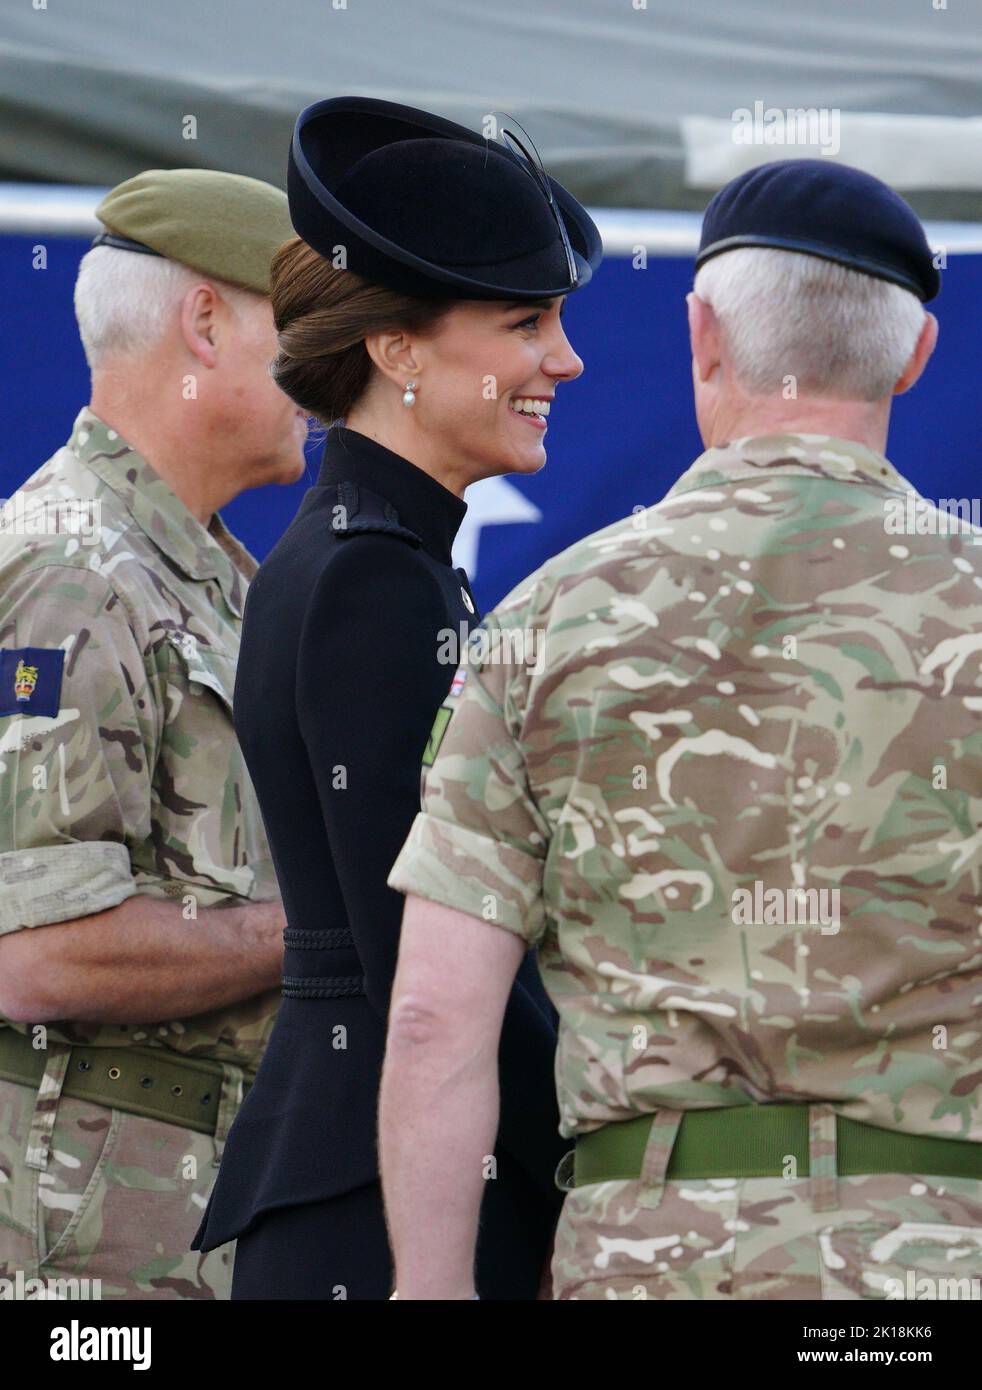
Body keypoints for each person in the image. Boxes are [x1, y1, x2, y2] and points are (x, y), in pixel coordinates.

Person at [383, 159, 982, 1299]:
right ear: (915, 355)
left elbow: (431, 1018)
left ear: (700, 335)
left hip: (643, 1261)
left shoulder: (547, 621)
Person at [189, 95, 603, 1300]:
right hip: (393, 1211)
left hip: (368, 1184)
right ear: (398, 350)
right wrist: (610, 1139)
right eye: (526, 323)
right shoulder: (374, 579)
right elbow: (423, 973)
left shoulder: (367, 554)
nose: (564, 360)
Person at [0, 168, 307, 1299]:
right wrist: (325, 930)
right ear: (207, 322)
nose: (330, 372)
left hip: (181, 1216)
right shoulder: (67, 571)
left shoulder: (205, 572)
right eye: (307, 325)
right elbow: (37, 951)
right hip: (81, 1253)